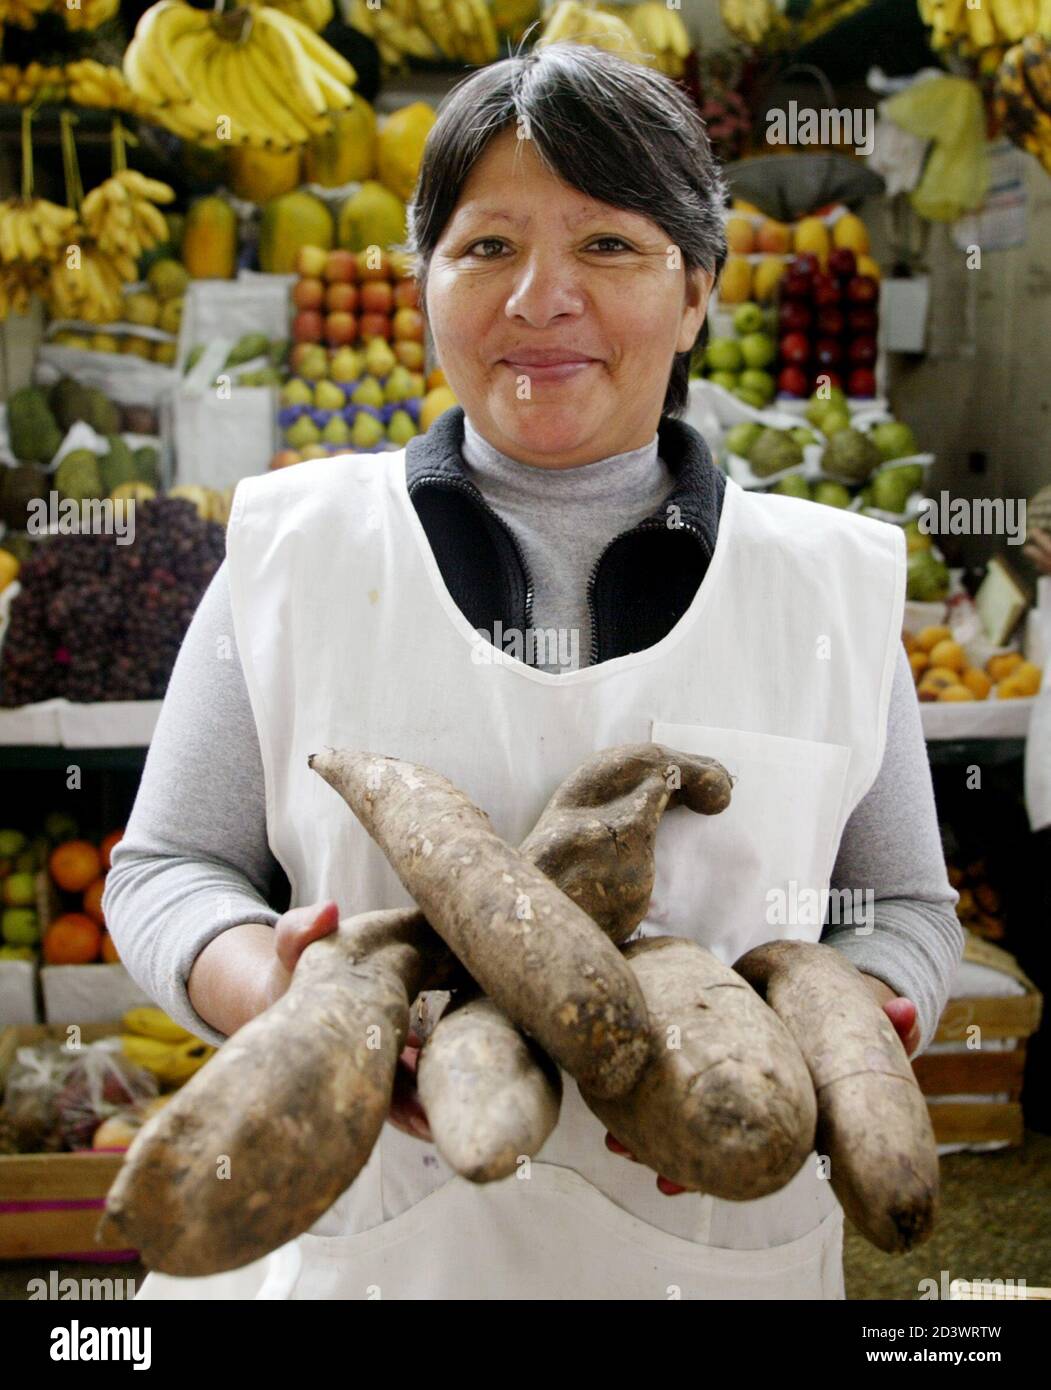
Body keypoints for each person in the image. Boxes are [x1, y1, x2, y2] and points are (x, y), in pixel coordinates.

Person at [104, 43, 963, 1301]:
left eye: (608, 246)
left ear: (697, 292)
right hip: (364, 1250)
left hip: (718, 1247)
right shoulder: (295, 552)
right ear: (424, 285)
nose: (539, 299)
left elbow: (904, 911)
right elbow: (168, 869)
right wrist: (274, 991)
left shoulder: (824, 584)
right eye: (487, 247)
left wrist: (840, 1030)